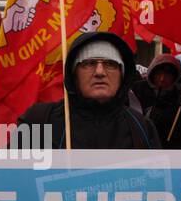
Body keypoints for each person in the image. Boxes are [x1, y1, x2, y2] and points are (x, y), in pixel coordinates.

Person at [17, 32, 159, 149]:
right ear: (74, 74)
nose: (100, 72)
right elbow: (14, 178)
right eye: (89, 63)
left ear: (122, 74)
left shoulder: (142, 127)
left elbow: (157, 180)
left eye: (110, 64)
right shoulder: (39, 121)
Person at [144, 54, 181, 148]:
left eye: (168, 75)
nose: (162, 79)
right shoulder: (139, 89)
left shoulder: (178, 95)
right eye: (158, 74)